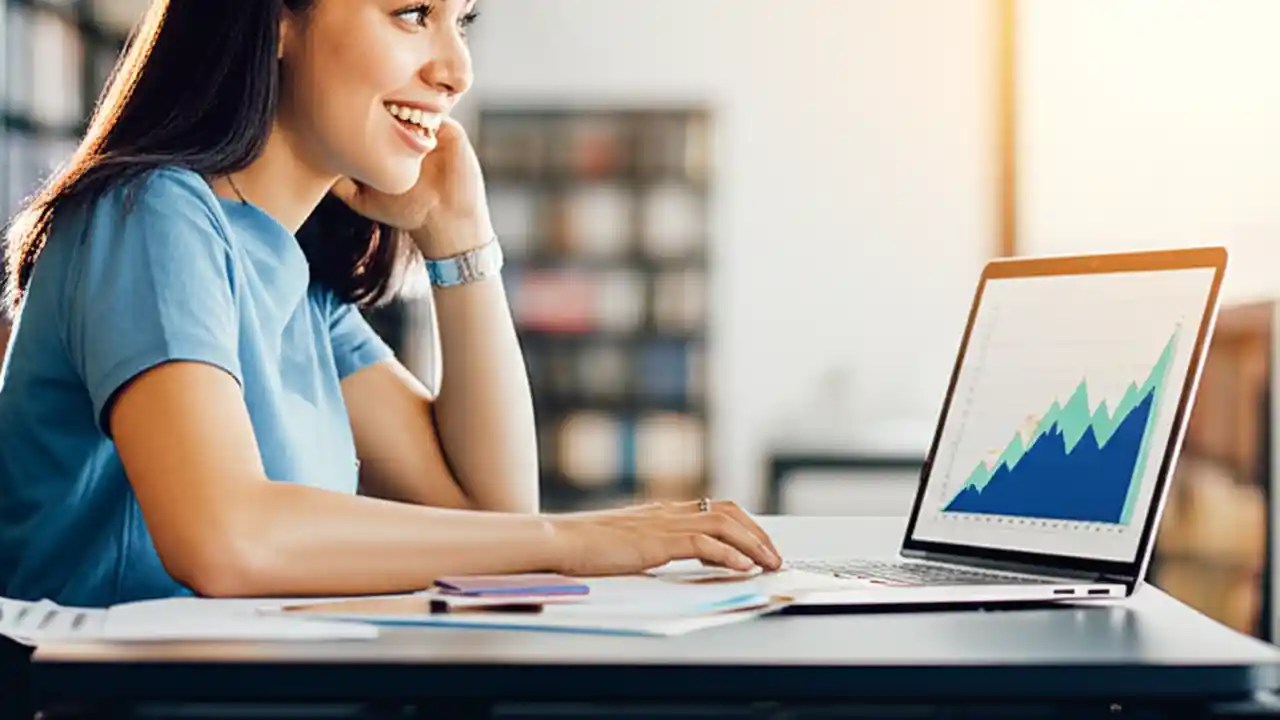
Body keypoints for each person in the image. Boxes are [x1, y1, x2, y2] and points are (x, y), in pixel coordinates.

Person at [0, 0, 780, 607]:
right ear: (276, 21)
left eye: (460, 21)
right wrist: (578, 540)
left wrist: (463, 241)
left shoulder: (299, 287)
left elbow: (493, 514)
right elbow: (225, 538)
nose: (456, 69)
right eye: (412, 14)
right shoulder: (147, 216)